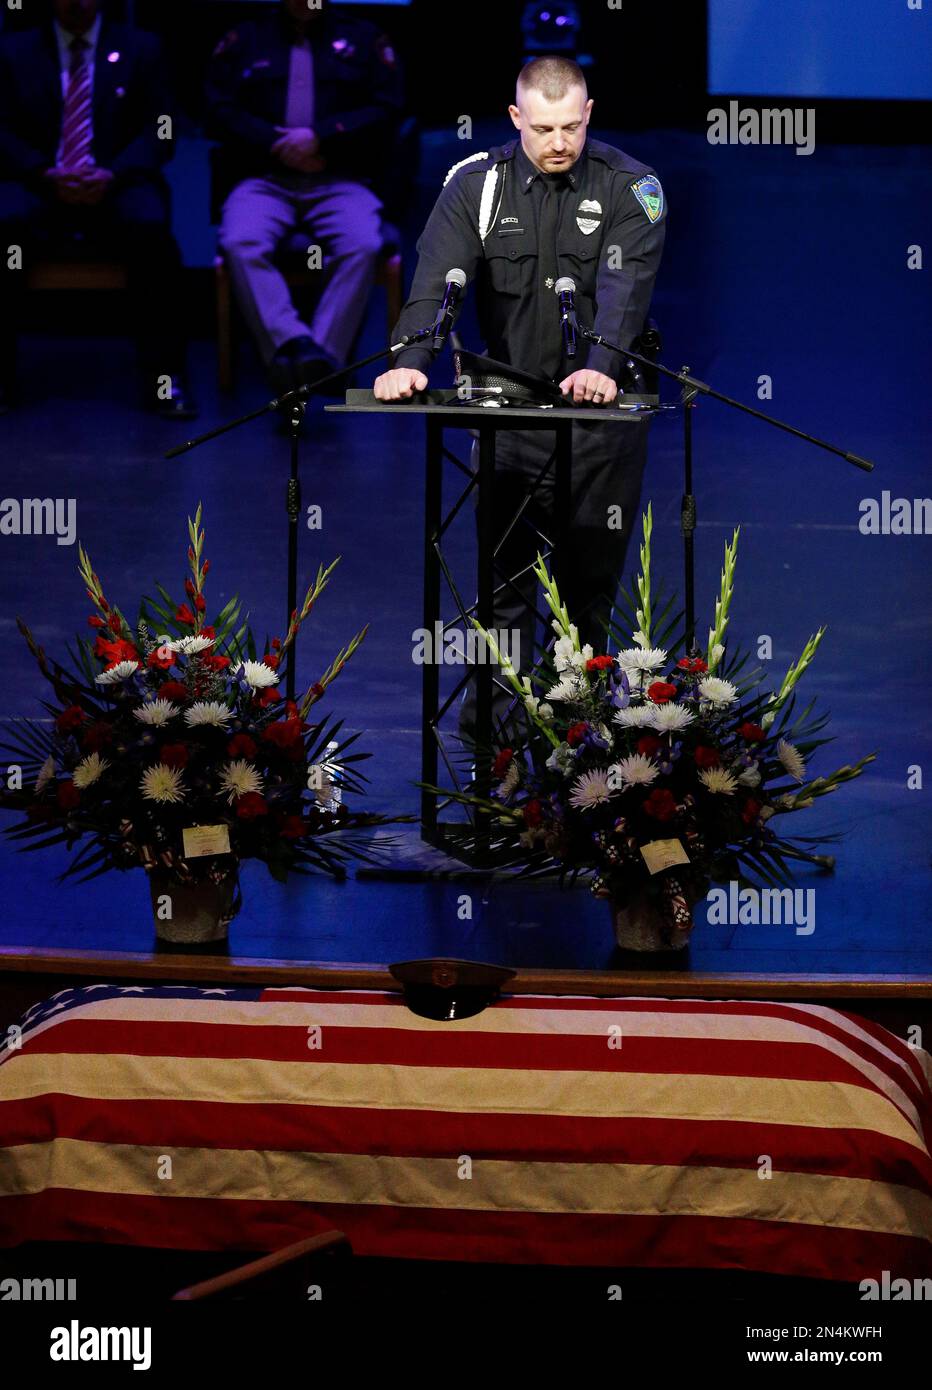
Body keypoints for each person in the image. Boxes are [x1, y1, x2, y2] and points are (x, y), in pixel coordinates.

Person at [375, 55, 667, 737]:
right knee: (502, 590)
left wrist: (600, 365)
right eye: (542, 128)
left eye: (570, 126)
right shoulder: (475, 185)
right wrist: (410, 361)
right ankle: (496, 753)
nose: (558, 141)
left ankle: (577, 750)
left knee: (586, 597)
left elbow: (625, 297)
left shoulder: (635, 188)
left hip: (601, 421)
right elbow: (435, 284)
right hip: (507, 418)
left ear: (589, 114)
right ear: (515, 119)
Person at [0, 0, 195, 416]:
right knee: (6, 233)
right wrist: (41, 171)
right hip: (38, 183)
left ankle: (165, 381)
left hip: (117, 183)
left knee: (152, 233)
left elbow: (163, 126)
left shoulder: (143, 48)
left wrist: (113, 172)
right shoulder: (14, 51)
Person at [205, 0, 403, 393]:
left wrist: (323, 138)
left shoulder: (364, 38)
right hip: (264, 176)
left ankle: (314, 363)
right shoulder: (245, 38)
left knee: (363, 243)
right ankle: (295, 346)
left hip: (340, 175)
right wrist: (275, 143)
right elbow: (215, 110)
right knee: (240, 241)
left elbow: (389, 109)